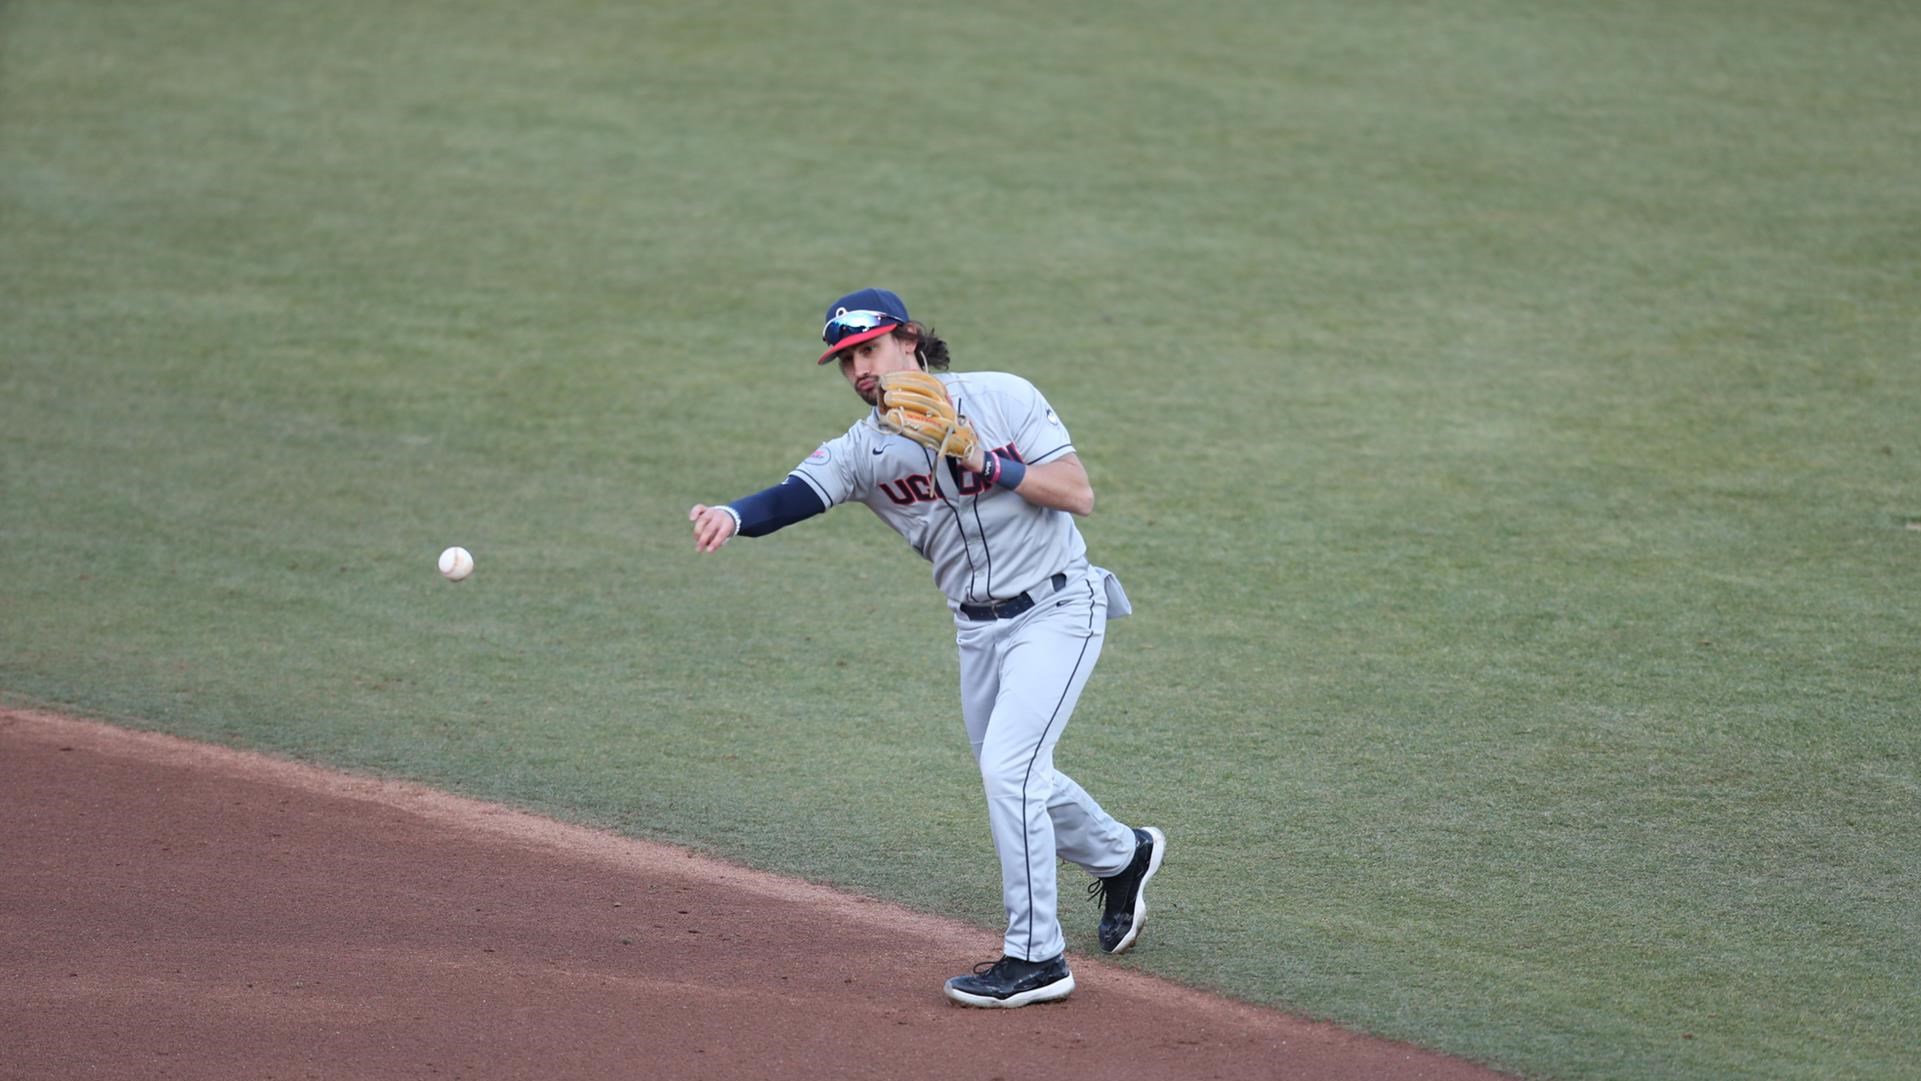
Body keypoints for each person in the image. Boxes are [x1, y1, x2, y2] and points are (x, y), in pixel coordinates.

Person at [687, 288, 1165, 1008]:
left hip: (1060, 606)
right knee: (1012, 770)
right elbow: (791, 494)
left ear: (909, 340)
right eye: (844, 362)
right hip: (975, 628)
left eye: (867, 351)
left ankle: (1035, 957)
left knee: (1010, 771)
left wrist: (987, 461)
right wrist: (731, 513)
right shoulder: (863, 450)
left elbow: (1077, 492)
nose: (857, 372)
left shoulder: (1003, 397)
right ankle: (1122, 855)